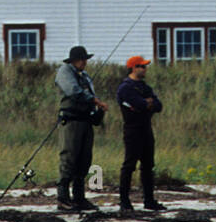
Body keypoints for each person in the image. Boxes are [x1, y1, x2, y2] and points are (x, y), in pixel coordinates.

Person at [54, 45, 108, 212]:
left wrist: (96, 109)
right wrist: (95, 100)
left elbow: (88, 93)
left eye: (85, 59)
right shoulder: (65, 72)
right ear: (74, 60)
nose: (85, 62)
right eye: (82, 59)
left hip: (85, 121)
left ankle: (79, 198)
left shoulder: (84, 76)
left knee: (84, 160)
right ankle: (62, 198)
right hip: (71, 122)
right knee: (69, 157)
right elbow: (73, 91)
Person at [116, 56, 166, 212]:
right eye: (141, 67)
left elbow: (158, 106)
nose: (145, 69)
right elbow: (140, 104)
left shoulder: (144, 87)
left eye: (145, 67)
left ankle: (149, 201)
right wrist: (146, 103)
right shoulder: (125, 88)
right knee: (129, 165)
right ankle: (124, 202)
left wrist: (146, 104)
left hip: (146, 128)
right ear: (133, 68)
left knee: (148, 165)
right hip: (132, 129)